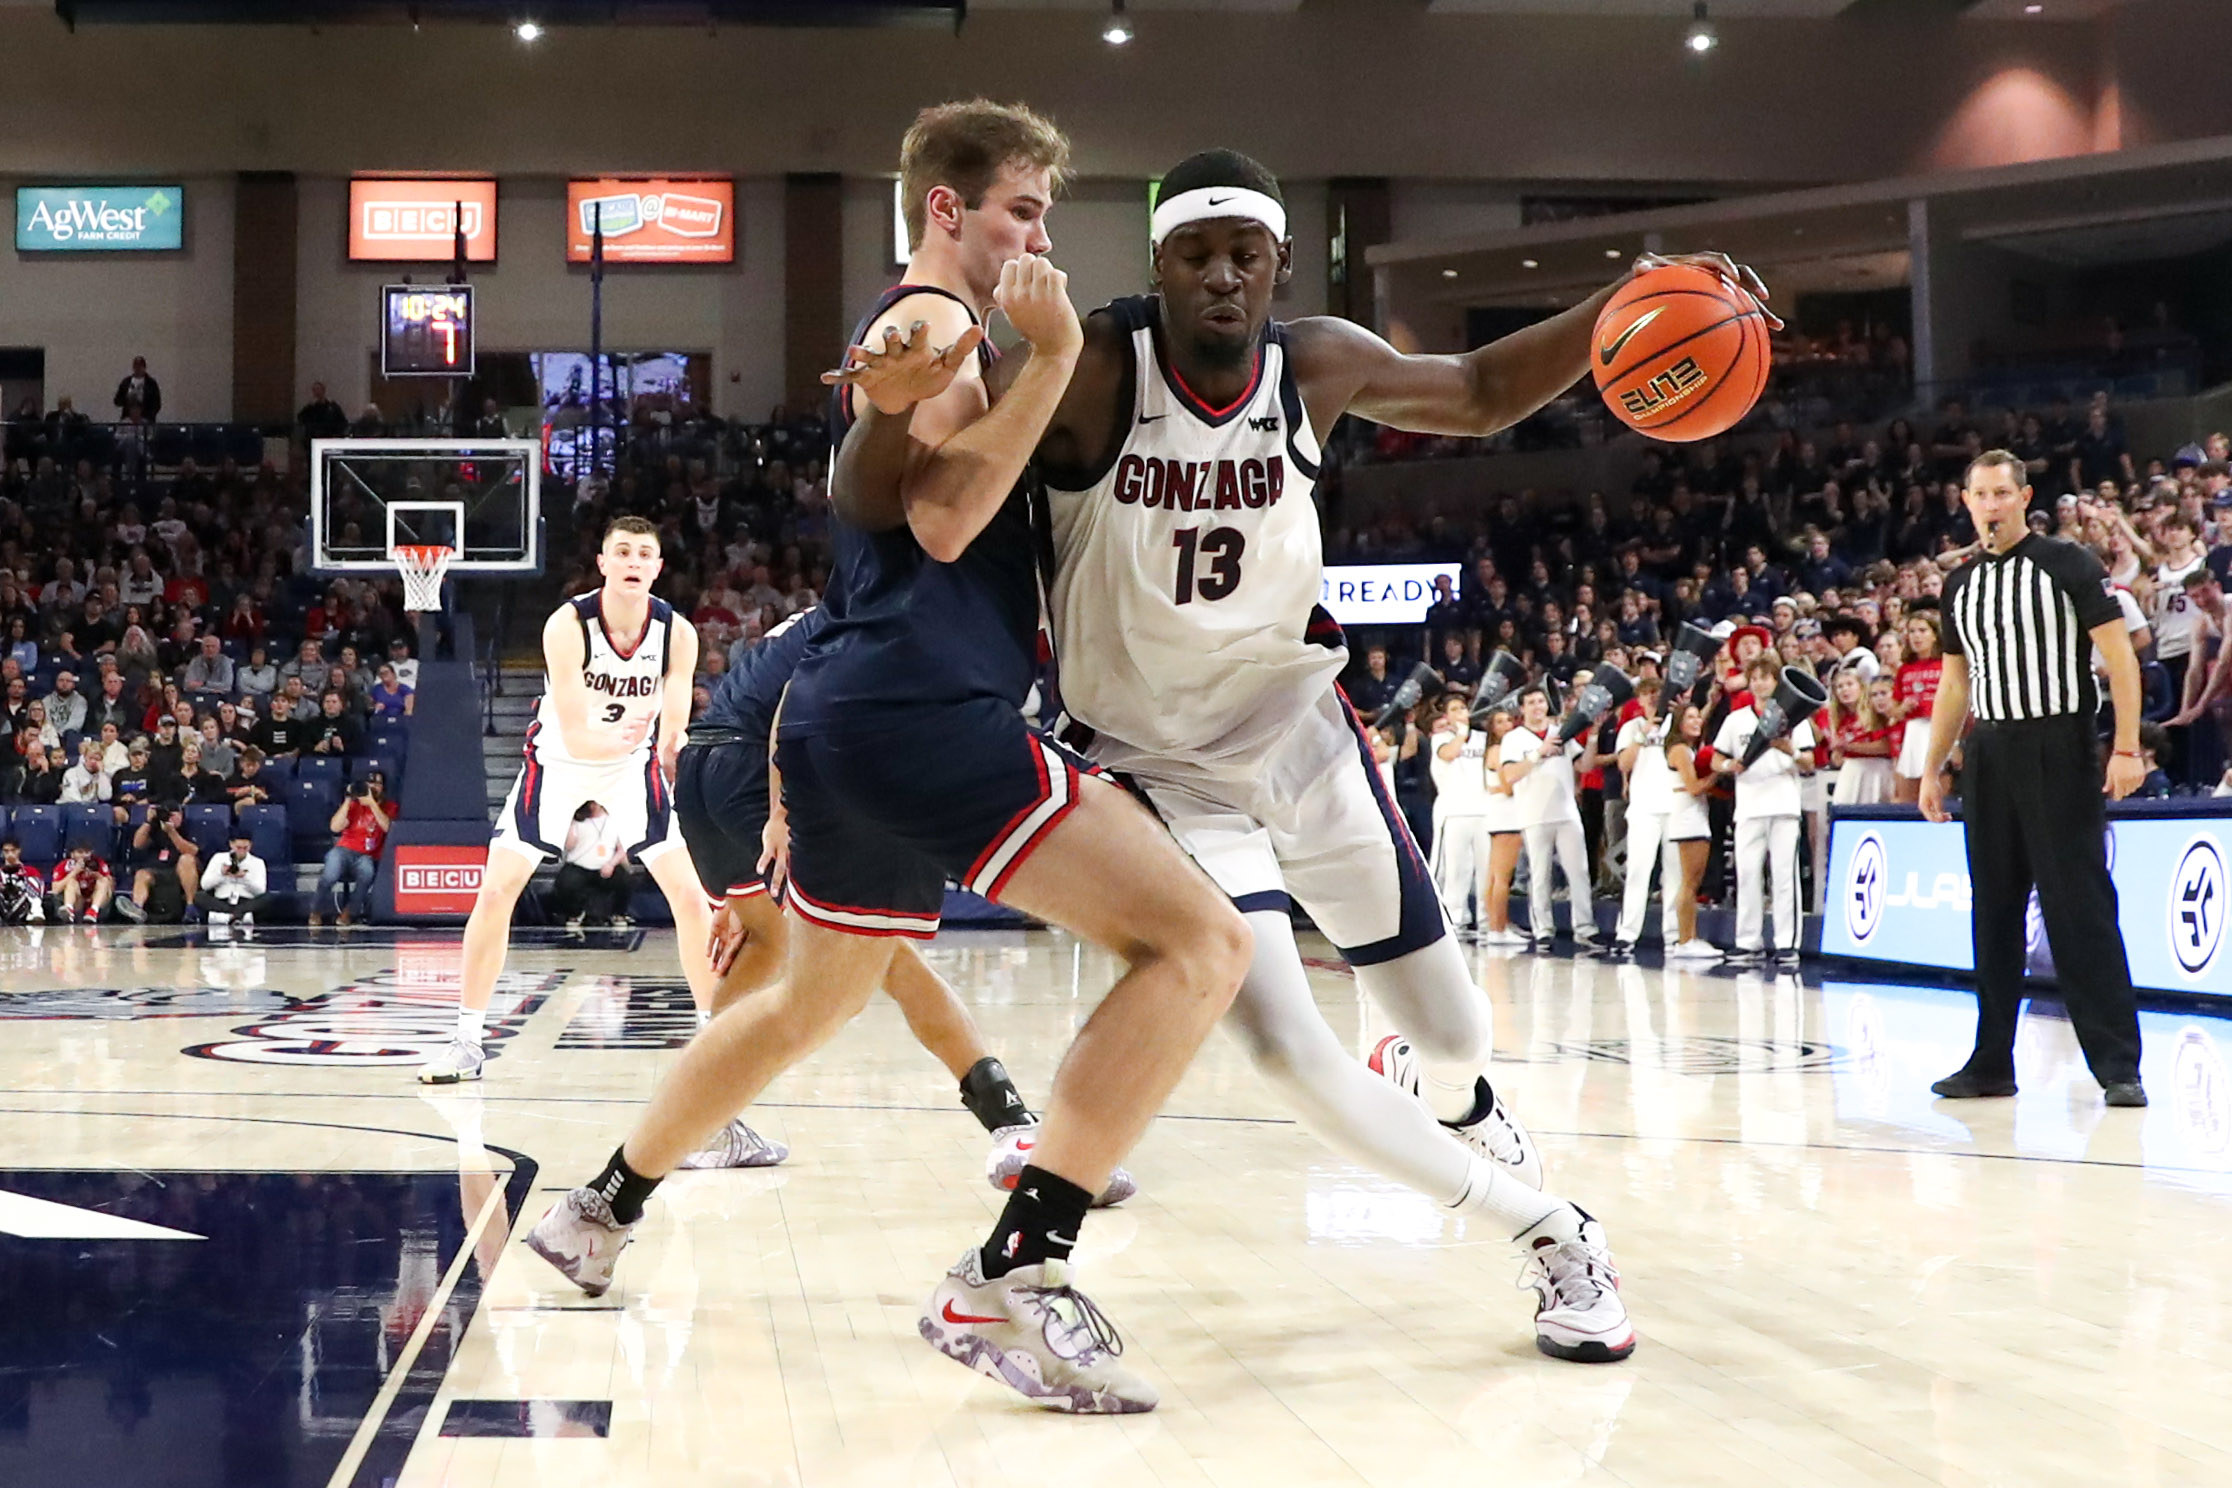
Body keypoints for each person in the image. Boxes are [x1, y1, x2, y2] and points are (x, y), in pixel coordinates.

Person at [838, 149, 1725, 1363]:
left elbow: (1469, 389)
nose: (1219, 278)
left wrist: (1622, 304)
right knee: (1288, 1054)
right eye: (1194, 255)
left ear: (1279, 267)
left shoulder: (1318, 361)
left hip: (1299, 734)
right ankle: (1555, 1235)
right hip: (1153, 766)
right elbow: (914, 486)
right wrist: (884, 399)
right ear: (1157, 267)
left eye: (1243, 256)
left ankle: (1451, 1090)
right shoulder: (1094, 364)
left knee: (1458, 1032)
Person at [526, 103, 1249, 1414]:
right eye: (1023, 210)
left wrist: (799, 785)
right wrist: (1057, 357)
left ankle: (597, 1211)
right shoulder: (928, 327)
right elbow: (952, 519)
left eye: (1045, 212)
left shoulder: (937, 330)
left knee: (805, 1007)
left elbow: (882, 562)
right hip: (925, 708)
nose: (1041, 234)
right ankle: (1012, 1271)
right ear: (947, 210)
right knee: (1201, 946)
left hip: (859, 708)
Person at [670, 602, 1135, 1197]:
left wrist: (744, 861)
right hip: (763, 769)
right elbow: (795, 701)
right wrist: (780, 813)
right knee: (885, 952)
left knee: (767, 940)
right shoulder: (907, 608)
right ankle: (1013, 1128)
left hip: (704, 767)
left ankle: (705, 1121)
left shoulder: (841, 606)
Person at [419, 518, 728, 1089]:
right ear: (604, 563)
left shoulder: (677, 633)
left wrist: (672, 745)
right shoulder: (567, 625)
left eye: (644, 553)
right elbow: (576, 728)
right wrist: (632, 742)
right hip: (559, 762)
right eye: (622, 551)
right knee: (496, 891)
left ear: (657, 568)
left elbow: (676, 713)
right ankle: (466, 1040)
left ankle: (712, 1039)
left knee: (689, 894)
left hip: (629, 768)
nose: (633, 560)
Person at [1921, 450, 2148, 1106]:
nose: (1991, 504)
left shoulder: (2067, 563)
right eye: (1980, 494)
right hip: (1989, 753)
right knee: (1993, 910)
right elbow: (1955, 684)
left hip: (2060, 744)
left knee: (2078, 904)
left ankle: (2118, 1065)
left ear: (2024, 497)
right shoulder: (1958, 584)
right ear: (1965, 502)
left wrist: (2126, 747)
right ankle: (1992, 1060)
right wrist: (1932, 769)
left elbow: (2120, 658)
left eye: (2002, 492)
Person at [1711, 656, 1815, 969]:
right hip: (1749, 806)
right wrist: (1730, 766)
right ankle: (1748, 941)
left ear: (1776, 683)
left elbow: (1810, 762)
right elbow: (1717, 757)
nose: (1759, 684)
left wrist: (1790, 751)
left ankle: (1786, 943)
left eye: (1765, 678)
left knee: (1784, 877)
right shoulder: (1736, 719)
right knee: (1748, 875)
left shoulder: (1795, 718)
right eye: (1754, 678)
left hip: (1783, 804)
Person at [1504, 684, 1596, 948]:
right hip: (1534, 814)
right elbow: (1510, 775)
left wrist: (1592, 736)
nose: (1537, 707)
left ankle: (1585, 928)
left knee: (1579, 872)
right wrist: (1538, 753)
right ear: (1522, 709)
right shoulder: (1515, 738)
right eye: (1531, 702)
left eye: (1540, 702)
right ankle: (1543, 929)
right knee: (1539, 874)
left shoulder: (1561, 733)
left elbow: (1585, 766)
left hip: (1566, 811)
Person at [1426, 694, 1491, 936]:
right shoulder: (1440, 738)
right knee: (1455, 871)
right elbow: (1449, 754)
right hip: (1453, 812)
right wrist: (1462, 733)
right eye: (1454, 709)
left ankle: (1486, 920)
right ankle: (1454, 918)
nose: (1461, 712)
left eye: (1463, 707)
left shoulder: (1484, 739)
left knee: (1485, 871)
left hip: (1483, 811)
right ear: (1447, 716)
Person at [1660, 704, 1720, 960]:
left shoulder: (1688, 749)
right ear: (1679, 723)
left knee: (1691, 882)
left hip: (1692, 815)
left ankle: (1690, 936)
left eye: (1698, 716)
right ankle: (1685, 940)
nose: (1696, 721)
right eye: (1690, 717)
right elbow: (1694, 787)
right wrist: (1719, 771)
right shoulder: (1681, 750)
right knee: (1690, 882)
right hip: (1688, 818)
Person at [313, 773, 391, 927]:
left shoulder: (389, 806)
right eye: (369, 784)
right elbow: (335, 827)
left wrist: (372, 804)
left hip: (367, 855)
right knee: (329, 875)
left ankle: (348, 913)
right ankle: (315, 911)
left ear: (383, 788)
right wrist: (348, 799)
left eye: (377, 784)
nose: (373, 787)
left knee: (367, 874)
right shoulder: (355, 806)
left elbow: (387, 827)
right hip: (344, 849)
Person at [1478, 707, 1527, 946]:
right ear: (1493, 728)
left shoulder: (1492, 750)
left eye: (1509, 720)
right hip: (1507, 815)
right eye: (1500, 722)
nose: (1506, 725)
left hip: (1497, 813)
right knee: (1502, 877)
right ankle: (1498, 929)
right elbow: (1508, 787)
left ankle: (1497, 924)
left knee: (1493, 876)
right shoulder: (1499, 750)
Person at [548, 801, 633, 928]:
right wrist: (571, 823)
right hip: (580, 866)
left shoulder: (614, 819)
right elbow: (569, 846)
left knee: (625, 880)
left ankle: (618, 913)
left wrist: (611, 864)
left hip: (606, 865)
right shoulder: (578, 820)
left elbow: (622, 848)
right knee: (566, 882)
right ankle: (575, 913)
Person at [1890, 610, 1944, 804]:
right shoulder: (1905, 668)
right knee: (1909, 798)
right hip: (1913, 731)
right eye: (1912, 631)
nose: (1916, 636)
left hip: (1940, 728)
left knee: (1940, 797)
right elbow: (1893, 711)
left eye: (1922, 630)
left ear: (1935, 634)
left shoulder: (1945, 663)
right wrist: (1902, 708)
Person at [113, 804, 197, 923]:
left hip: (178, 871)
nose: (170, 818)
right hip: (157, 870)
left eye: (173, 815)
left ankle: (191, 907)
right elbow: (137, 844)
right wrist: (148, 821)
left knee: (186, 859)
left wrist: (172, 832)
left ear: (181, 815)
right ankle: (137, 909)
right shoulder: (155, 829)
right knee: (142, 874)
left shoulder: (188, 827)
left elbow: (192, 851)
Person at [1826, 668, 1895, 807]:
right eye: (1839, 687)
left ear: (1861, 687)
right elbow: (1837, 760)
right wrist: (1837, 751)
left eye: (1849, 684)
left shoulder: (1874, 712)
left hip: (1876, 770)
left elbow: (1885, 746)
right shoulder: (1839, 718)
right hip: (1851, 772)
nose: (1844, 690)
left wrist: (1847, 746)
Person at [195, 827, 272, 928]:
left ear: (250, 846)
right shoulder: (218, 858)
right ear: (231, 844)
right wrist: (221, 874)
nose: (242, 851)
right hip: (222, 900)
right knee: (199, 896)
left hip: (245, 900)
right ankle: (238, 916)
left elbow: (260, 890)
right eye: (238, 848)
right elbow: (205, 885)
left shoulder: (258, 862)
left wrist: (245, 877)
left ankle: (228, 916)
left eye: (245, 848)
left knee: (268, 898)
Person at [49, 842, 113, 923]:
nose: (84, 855)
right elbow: (55, 889)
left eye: (87, 852)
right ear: (72, 854)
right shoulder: (64, 865)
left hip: (95, 899)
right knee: (71, 882)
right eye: (80, 852)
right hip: (78, 901)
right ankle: (69, 911)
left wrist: (97, 876)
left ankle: (93, 911)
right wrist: (74, 873)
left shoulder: (99, 863)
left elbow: (111, 886)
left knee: (104, 881)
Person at [0, 838, 45, 924]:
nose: (10, 854)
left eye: (13, 851)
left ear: (19, 851)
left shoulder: (30, 870)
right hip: (4, 904)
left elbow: (39, 888)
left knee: (32, 880)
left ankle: (36, 912)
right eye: (6, 851)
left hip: (23, 902)